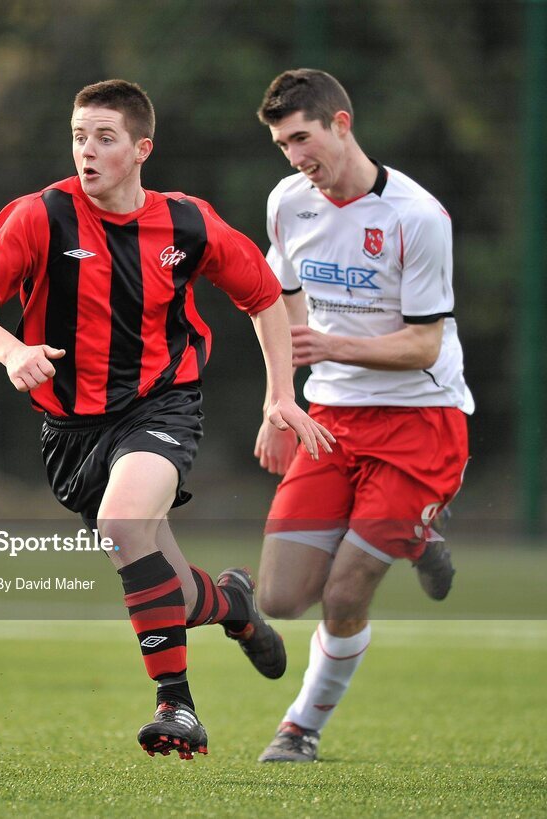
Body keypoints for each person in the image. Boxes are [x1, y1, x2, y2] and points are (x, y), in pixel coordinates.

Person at [0, 79, 334, 759]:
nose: (86, 152)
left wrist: (281, 395)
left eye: (104, 138)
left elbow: (265, 297)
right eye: (77, 136)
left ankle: (176, 706)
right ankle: (233, 604)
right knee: (169, 584)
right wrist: (11, 350)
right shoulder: (38, 217)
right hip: (70, 434)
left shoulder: (186, 223)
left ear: (140, 149)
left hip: (162, 406)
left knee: (124, 525)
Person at [252, 69, 474, 762]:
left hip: (421, 420)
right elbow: (281, 302)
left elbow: (424, 344)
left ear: (341, 123)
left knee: (345, 589)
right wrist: (279, 400)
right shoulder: (289, 203)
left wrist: (333, 344)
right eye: (283, 144)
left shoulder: (416, 216)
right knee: (283, 598)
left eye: (303, 138)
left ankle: (301, 726)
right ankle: (418, 535)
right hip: (332, 419)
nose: (295, 157)